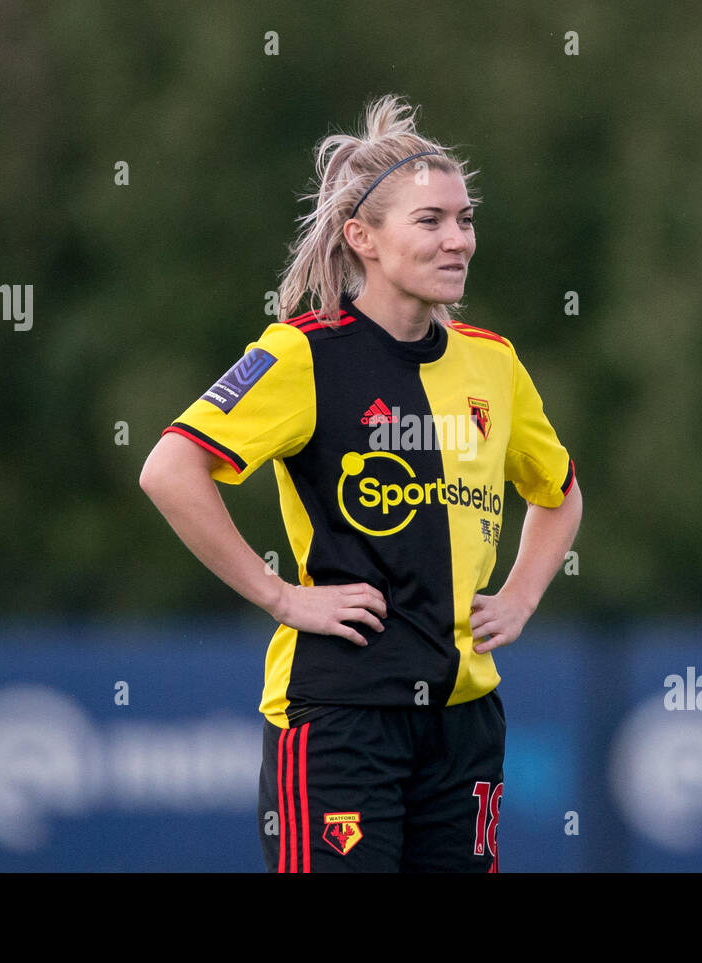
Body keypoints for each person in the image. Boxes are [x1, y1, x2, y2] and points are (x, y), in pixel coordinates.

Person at [139, 94, 582, 872]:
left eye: (465, 218)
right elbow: (170, 468)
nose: (458, 240)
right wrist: (282, 596)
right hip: (341, 715)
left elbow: (559, 490)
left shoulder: (493, 363)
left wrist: (520, 596)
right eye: (431, 221)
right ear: (362, 239)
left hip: (464, 721)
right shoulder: (300, 355)